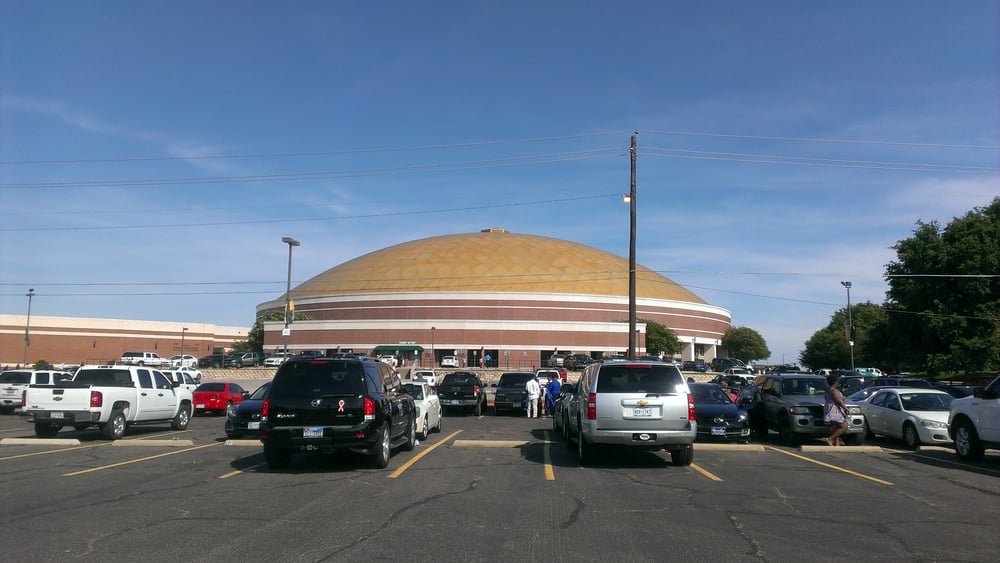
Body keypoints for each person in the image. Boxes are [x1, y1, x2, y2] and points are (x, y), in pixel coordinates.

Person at [824, 373, 850, 446]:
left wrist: (842, 397)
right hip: (835, 410)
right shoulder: (834, 390)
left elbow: (835, 398)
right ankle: (830, 439)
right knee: (844, 426)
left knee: (835, 428)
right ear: (835, 382)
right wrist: (846, 409)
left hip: (829, 410)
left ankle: (836, 444)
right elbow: (838, 401)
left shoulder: (828, 390)